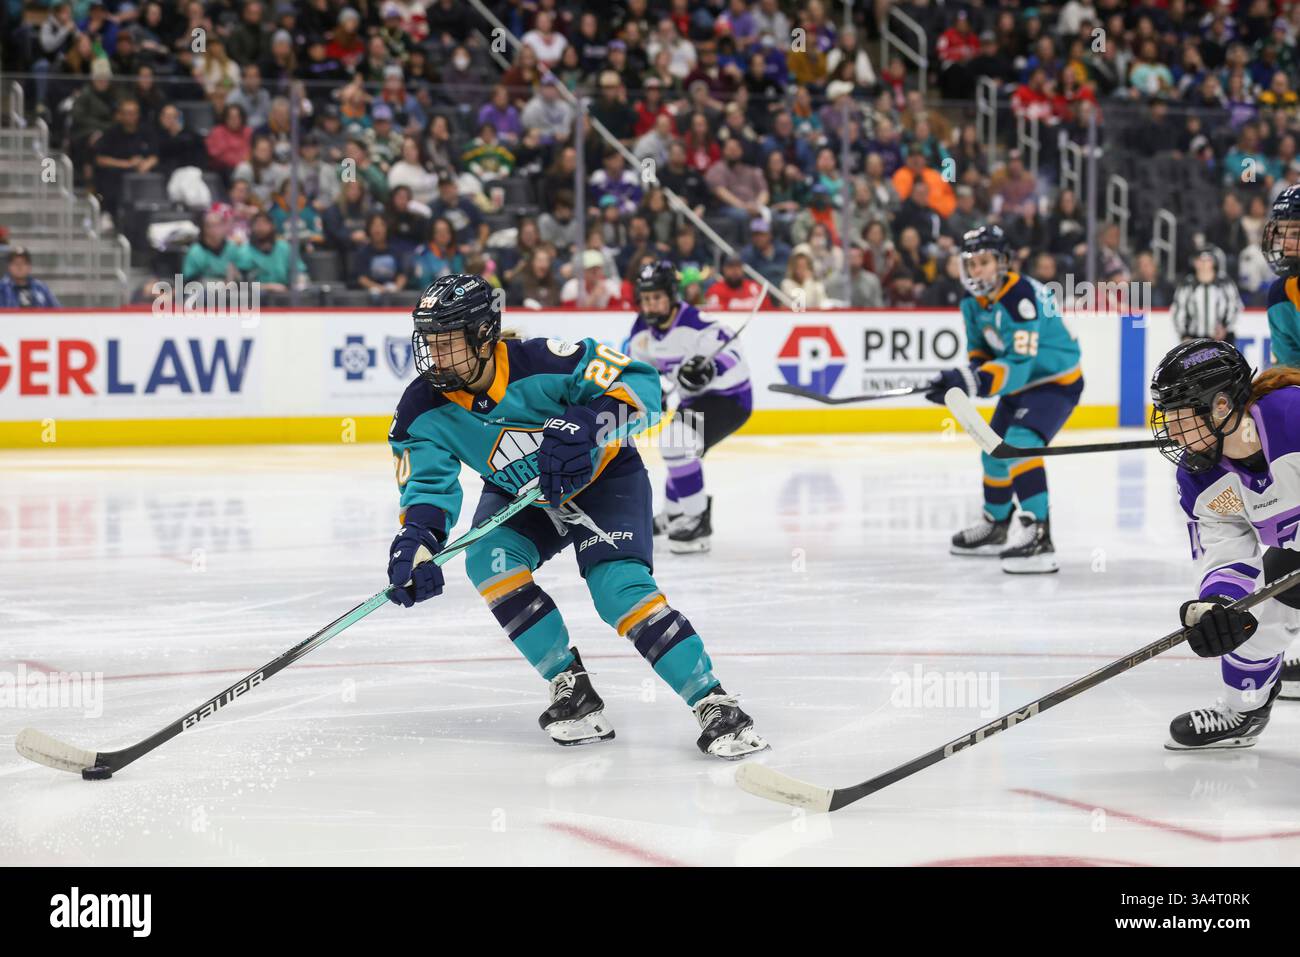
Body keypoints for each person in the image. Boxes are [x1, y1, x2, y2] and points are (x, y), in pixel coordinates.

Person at [386, 274, 767, 758]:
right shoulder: (421, 408)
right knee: (487, 559)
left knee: (617, 589)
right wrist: (416, 543)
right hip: (522, 495)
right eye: (430, 343)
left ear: (484, 335)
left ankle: (712, 701)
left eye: (449, 344)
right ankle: (572, 686)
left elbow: (641, 384)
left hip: (604, 480)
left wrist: (590, 422)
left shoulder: (543, 360)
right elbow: (428, 486)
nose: (435, 358)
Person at [1148, 339, 1300, 747]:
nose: (1172, 430)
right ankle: (1244, 712)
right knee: (1251, 627)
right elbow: (1227, 551)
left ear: (1219, 406)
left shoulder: (1291, 416)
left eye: (1179, 416)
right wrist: (1217, 605)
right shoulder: (1201, 479)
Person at [927, 225, 1082, 574]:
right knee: (993, 450)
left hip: (1054, 384)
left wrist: (971, 381)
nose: (976, 270)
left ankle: (1039, 536)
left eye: (984, 262)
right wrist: (961, 380)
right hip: (1019, 386)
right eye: (971, 263)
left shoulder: (1021, 299)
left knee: (1019, 443)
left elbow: (1022, 366)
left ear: (1003, 263)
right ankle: (997, 526)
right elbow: (980, 352)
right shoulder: (972, 301)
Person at [625, 261, 752, 553]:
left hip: (728, 399)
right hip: (694, 400)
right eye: (645, 299)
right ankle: (674, 515)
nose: (651, 305)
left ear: (671, 296)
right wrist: (651, 391)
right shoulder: (641, 329)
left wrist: (709, 369)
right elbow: (637, 367)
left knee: (675, 443)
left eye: (657, 297)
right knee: (679, 449)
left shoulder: (696, 323)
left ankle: (697, 521)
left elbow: (732, 352)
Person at [1171, 247, 1242, 343]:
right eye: (1200, 260)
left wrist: (1225, 327)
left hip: (1222, 339)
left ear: (1213, 262)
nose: (1204, 264)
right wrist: (1184, 334)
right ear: (1195, 263)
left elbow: (1235, 306)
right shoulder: (1187, 285)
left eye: (1207, 260)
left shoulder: (1225, 283)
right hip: (1194, 338)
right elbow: (1178, 310)